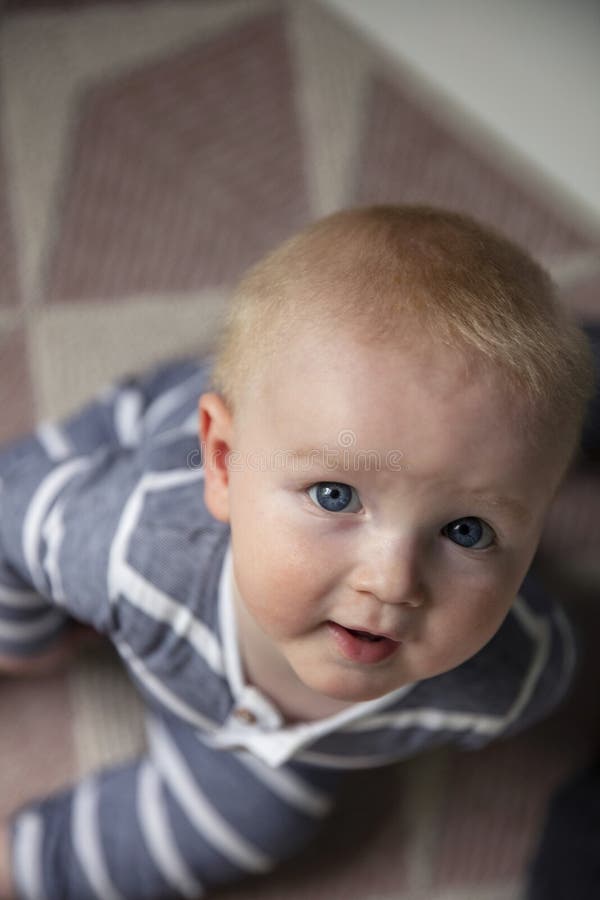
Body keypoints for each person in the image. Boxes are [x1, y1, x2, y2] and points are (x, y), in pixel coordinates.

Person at [0, 206, 594, 900]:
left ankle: (28, 863)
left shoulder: (506, 677)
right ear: (224, 465)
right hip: (144, 445)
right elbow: (16, 518)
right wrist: (24, 635)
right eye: (336, 497)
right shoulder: (127, 542)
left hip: (257, 749)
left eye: (466, 531)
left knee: (254, 824)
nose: (392, 583)